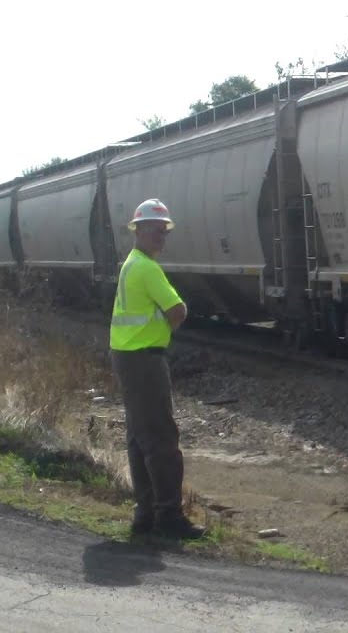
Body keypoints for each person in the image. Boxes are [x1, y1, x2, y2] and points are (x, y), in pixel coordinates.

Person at [109, 198, 205, 540]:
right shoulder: (147, 268)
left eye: (164, 231)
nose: (161, 237)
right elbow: (177, 310)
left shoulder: (131, 263)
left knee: (140, 438)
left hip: (127, 357)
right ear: (138, 230)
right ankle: (169, 517)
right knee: (162, 438)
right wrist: (164, 328)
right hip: (143, 359)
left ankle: (145, 513)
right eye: (155, 230)